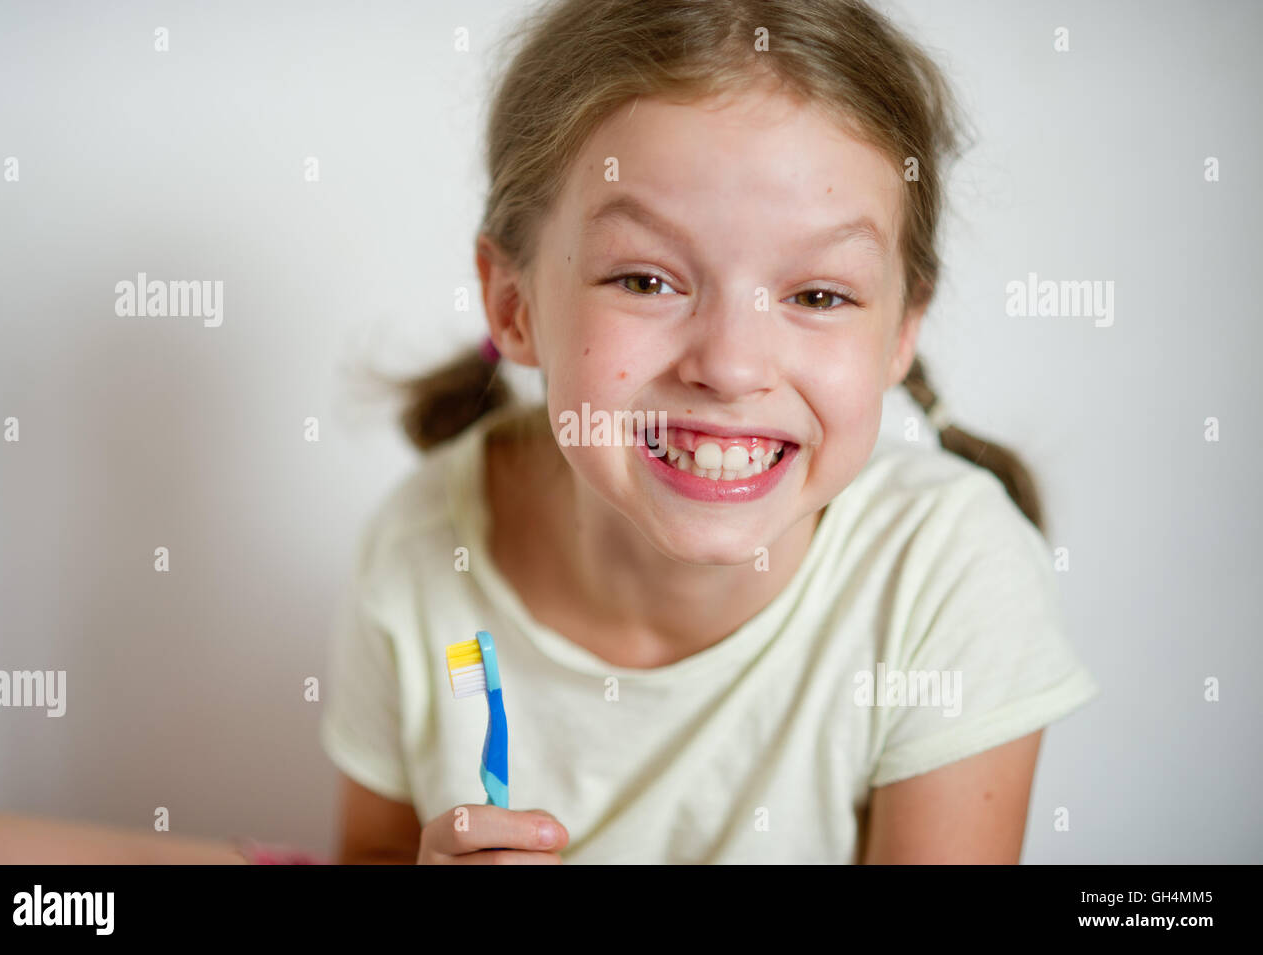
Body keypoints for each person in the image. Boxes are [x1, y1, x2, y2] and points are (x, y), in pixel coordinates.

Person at [320, 0, 1099, 864]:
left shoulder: (946, 573)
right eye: (647, 280)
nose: (730, 367)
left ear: (901, 333)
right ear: (514, 305)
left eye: (818, 295)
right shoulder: (420, 550)